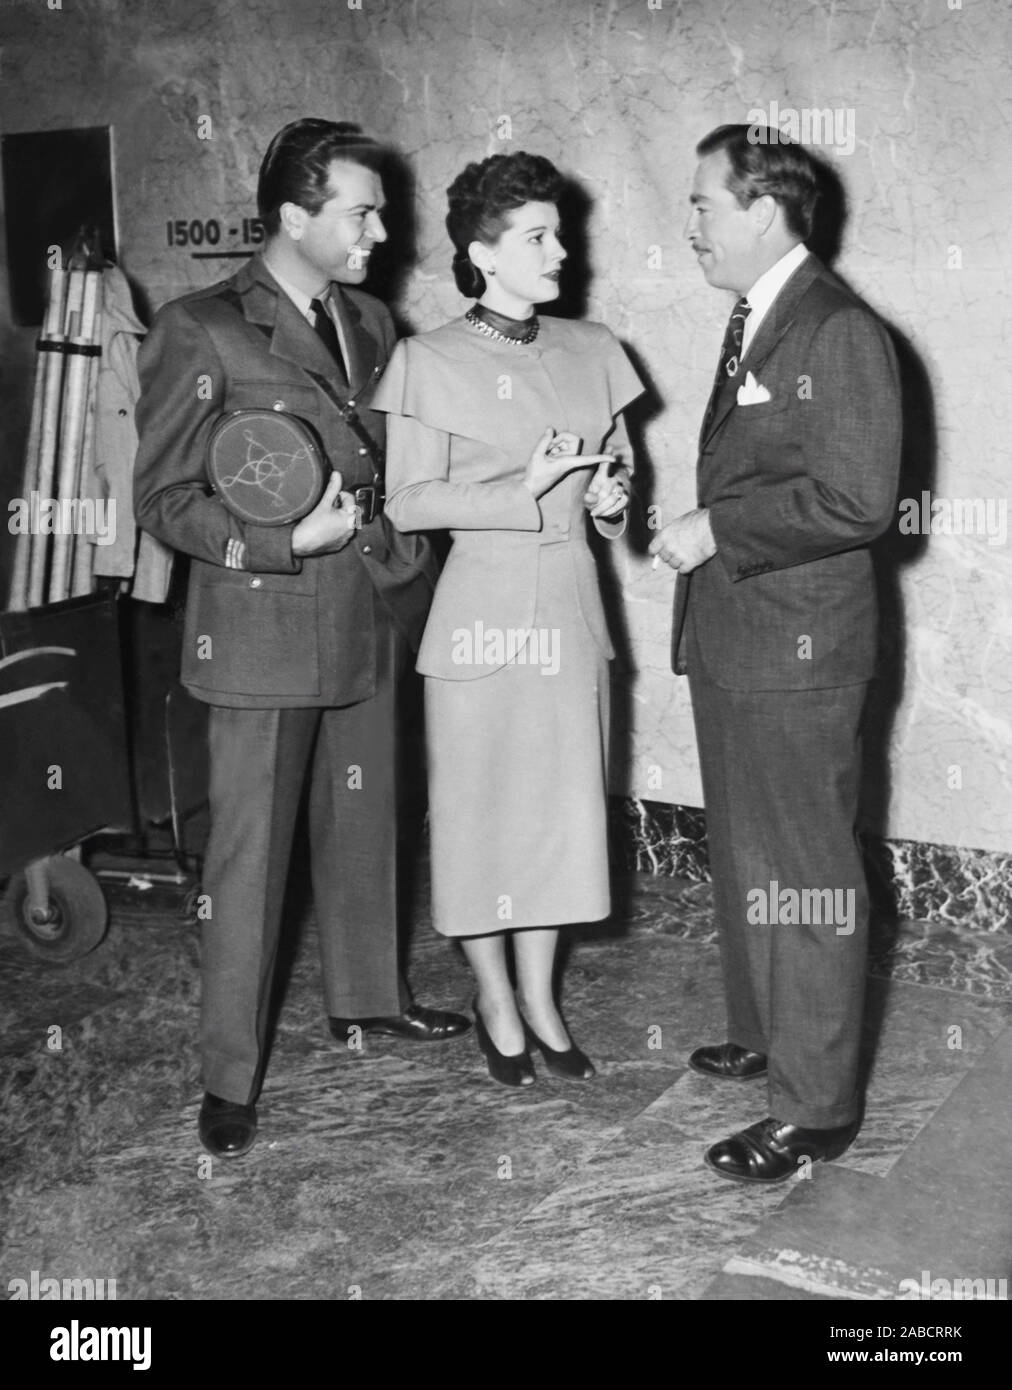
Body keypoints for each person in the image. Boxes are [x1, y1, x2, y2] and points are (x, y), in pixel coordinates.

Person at [134, 119, 469, 1160]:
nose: (382, 229)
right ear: (293, 217)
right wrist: (279, 537)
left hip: (366, 614)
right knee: (248, 862)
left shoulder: (368, 318)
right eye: (361, 211)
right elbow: (162, 499)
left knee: (366, 824)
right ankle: (229, 1075)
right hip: (261, 630)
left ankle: (367, 999)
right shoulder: (203, 328)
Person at [650, 124, 902, 1182]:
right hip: (743, 638)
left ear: (761, 209)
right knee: (753, 853)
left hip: (796, 650)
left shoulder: (835, 328)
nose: (692, 223)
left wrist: (715, 531)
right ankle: (768, 1030)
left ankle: (817, 1106)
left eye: (704, 203)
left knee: (802, 869)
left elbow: (858, 497)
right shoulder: (762, 318)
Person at [373, 152, 644, 1086]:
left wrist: (611, 501)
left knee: (559, 816)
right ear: (482, 255)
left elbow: (617, 486)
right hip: (480, 614)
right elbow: (407, 502)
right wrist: (519, 492)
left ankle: (541, 995)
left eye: (558, 231)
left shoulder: (594, 348)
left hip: (570, 608)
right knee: (484, 815)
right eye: (538, 236)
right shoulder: (428, 359)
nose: (560, 250)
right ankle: (493, 994)